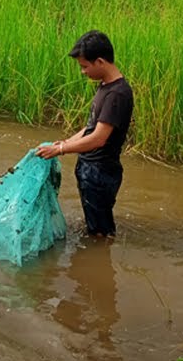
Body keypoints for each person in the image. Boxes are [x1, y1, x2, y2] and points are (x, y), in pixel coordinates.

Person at [36, 30, 134, 237]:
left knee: (101, 234)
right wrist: (65, 141)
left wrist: (61, 150)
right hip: (92, 170)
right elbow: (92, 127)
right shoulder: (106, 87)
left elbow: (98, 138)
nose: (83, 72)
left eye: (84, 66)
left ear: (100, 61)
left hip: (100, 172)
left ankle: (99, 262)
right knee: (95, 223)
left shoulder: (117, 94)